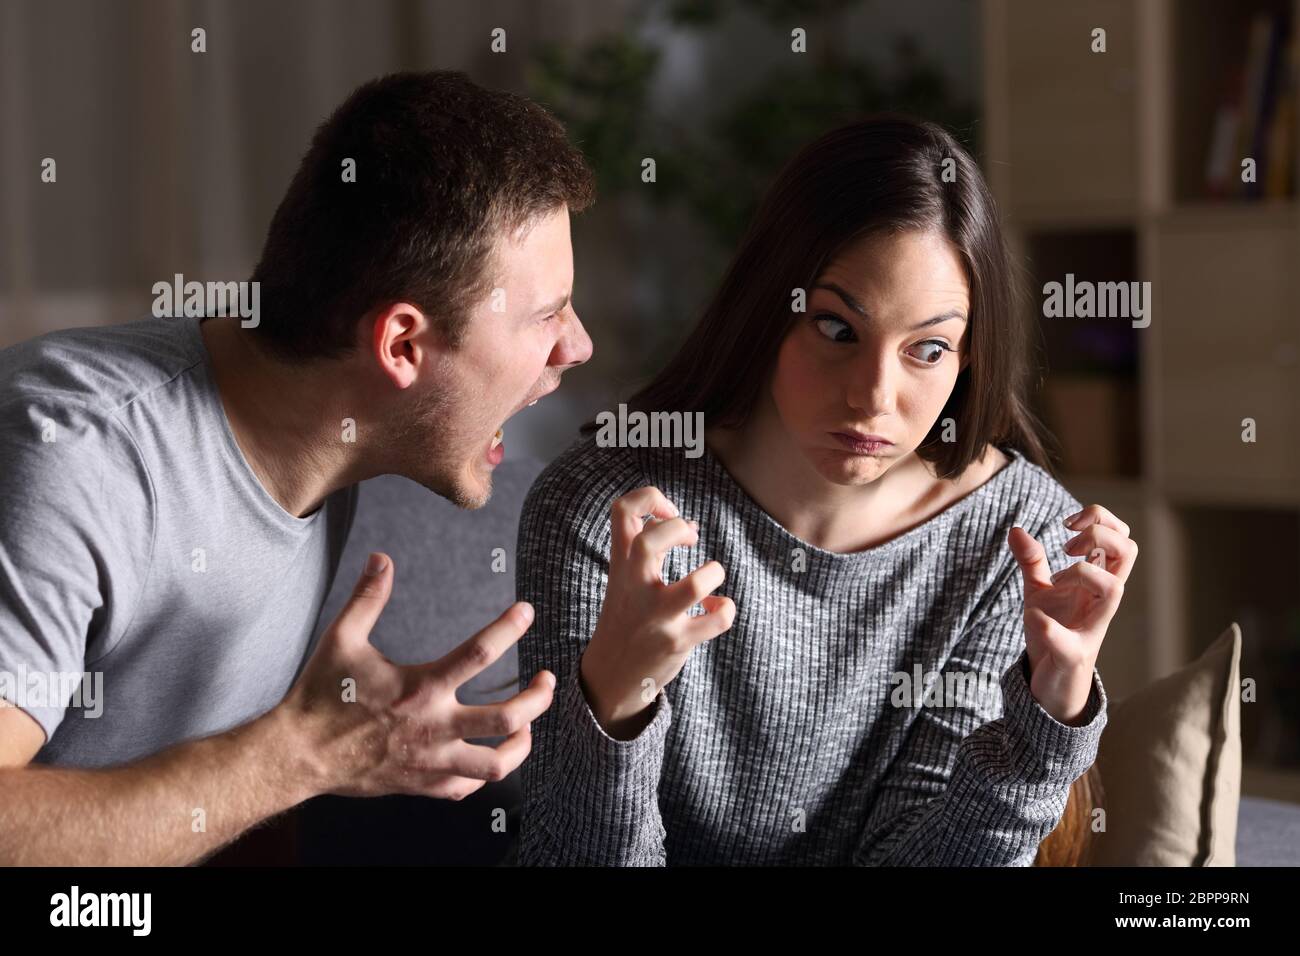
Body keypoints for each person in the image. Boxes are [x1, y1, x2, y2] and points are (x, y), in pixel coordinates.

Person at [0, 71, 594, 865]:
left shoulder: (340, 450)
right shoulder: (73, 459)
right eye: (546, 315)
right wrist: (305, 756)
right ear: (402, 347)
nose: (578, 347)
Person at [516, 115, 1137, 866]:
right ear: (767, 308)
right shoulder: (604, 511)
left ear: (970, 357)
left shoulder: (1021, 536)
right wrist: (610, 704)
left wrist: (1051, 711)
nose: (874, 397)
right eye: (838, 330)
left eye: (928, 349)